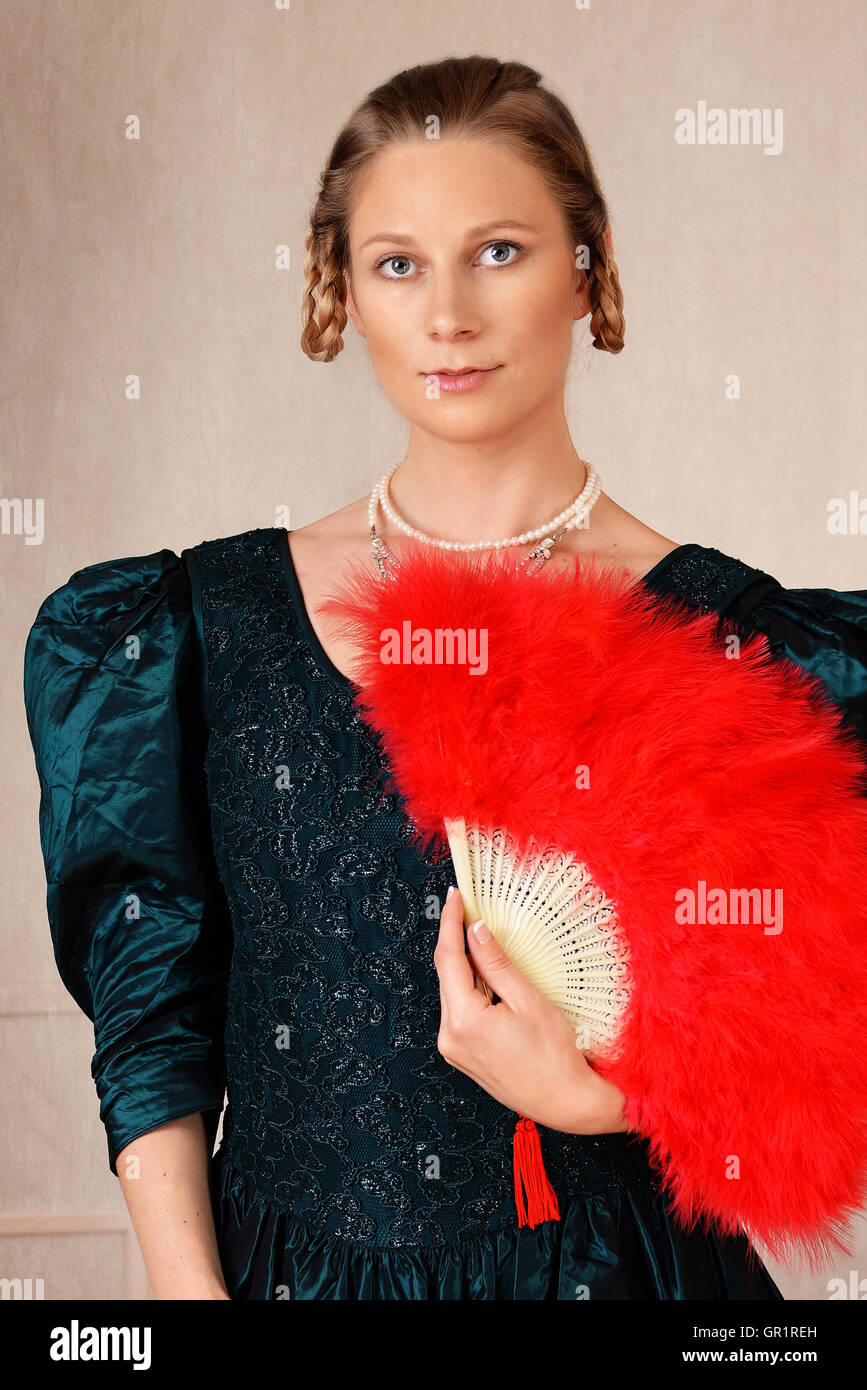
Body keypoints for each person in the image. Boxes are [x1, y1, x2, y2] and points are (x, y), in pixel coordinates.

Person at [23, 55, 867, 1301]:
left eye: (502, 251)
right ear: (344, 292)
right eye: (399, 262)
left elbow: (816, 1054)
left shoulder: (740, 646)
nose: (450, 314)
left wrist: (603, 1095)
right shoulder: (192, 632)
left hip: (626, 1277)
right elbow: (155, 1024)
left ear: (589, 266)